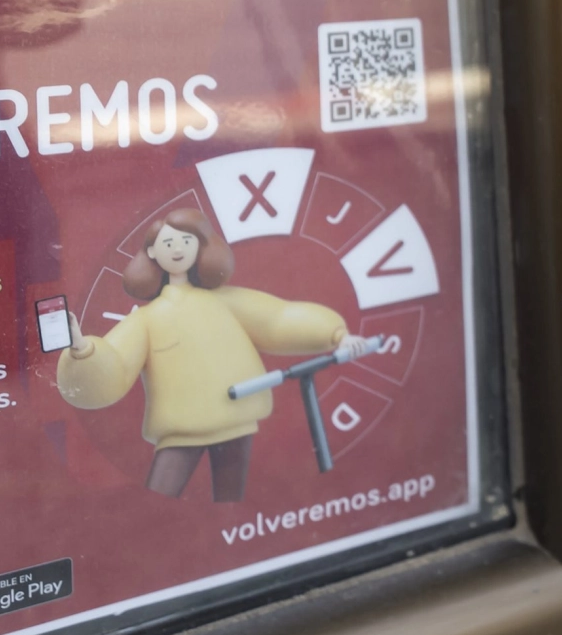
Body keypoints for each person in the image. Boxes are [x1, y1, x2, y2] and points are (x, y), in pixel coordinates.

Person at [58, 207, 383, 501]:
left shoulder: (226, 300)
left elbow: (278, 320)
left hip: (238, 417)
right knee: (159, 493)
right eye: (168, 243)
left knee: (232, 496)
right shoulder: (147, 319)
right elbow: (116, 362)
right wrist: (83, 349)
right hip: (180, 429)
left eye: (186, 241)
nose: (178, 249)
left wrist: (336, 335)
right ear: (152, 252)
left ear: (201, 247)